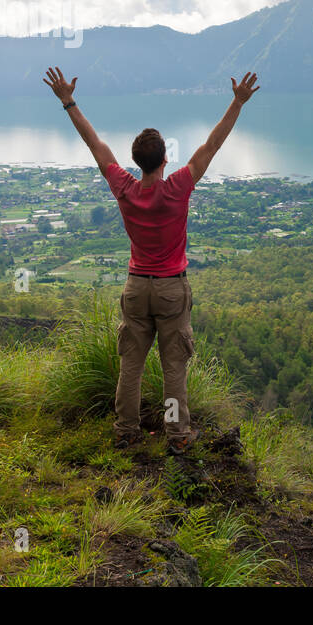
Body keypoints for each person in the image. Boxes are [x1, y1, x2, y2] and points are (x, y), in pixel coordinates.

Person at [43, 66, 260, 454]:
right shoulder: (177, 187)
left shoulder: (124, 188)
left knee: (131, 364)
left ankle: (126, 431)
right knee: (174, 367)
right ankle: (177, 435)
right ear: (165, 159)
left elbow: (95, 144)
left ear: (136, 160)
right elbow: (212, 145)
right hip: (171, 290)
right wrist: (237, 102)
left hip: (135, 287)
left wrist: (68, 101)